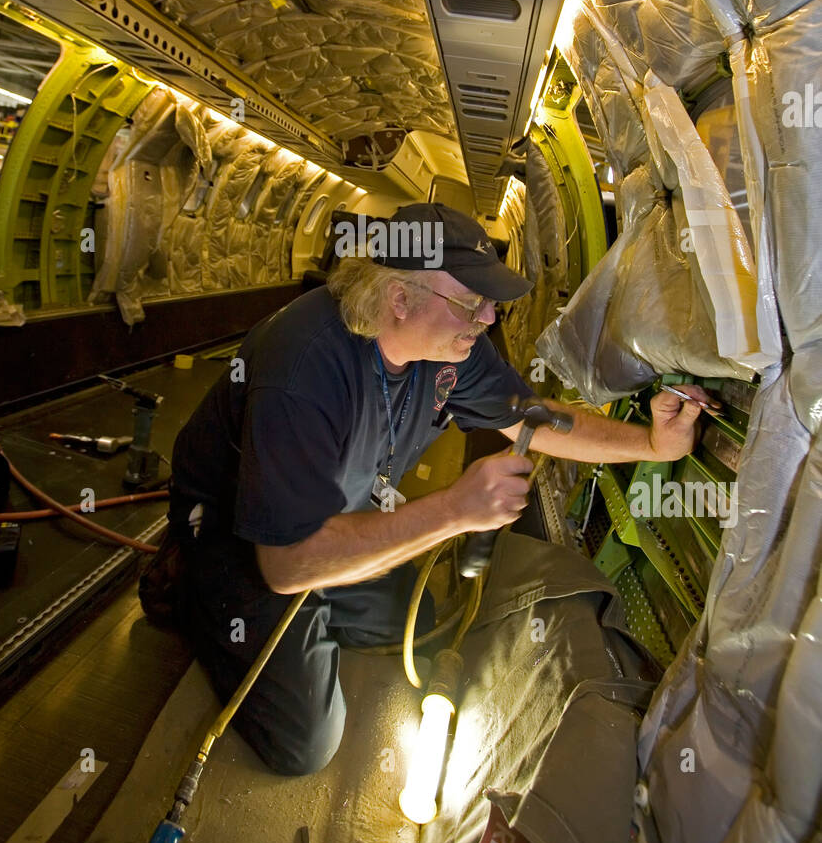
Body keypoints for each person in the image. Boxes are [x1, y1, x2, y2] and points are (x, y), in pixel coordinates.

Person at [167, 202, 707, 776]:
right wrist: (454, 510)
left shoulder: (447, 353)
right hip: (248, 541)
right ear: (400, 300)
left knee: (418, 617)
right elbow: (286, 563)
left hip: (331, 520)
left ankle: (317, 612)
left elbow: (534, 417)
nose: (491, 318)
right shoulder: (303, 368)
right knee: (306, 742)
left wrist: (652, 445)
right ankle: (192, 591)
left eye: (490, 302)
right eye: (472, 302)